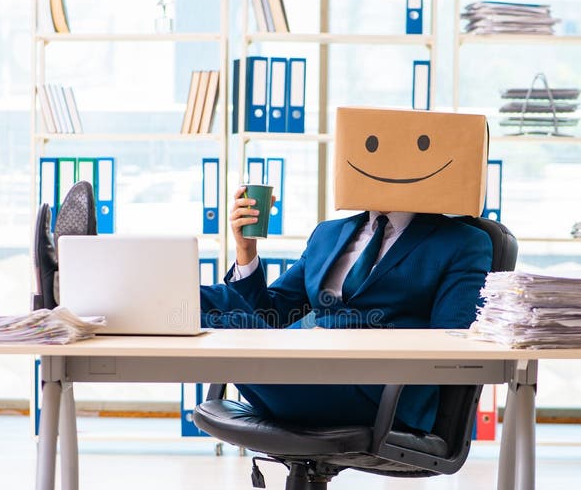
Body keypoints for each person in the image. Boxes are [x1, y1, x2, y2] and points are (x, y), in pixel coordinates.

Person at [200, 183, 493, 433]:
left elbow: (451, 339)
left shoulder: (462, 242)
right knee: (211, 300)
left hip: (380, 396)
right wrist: (246, 249)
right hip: (303, 370)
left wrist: (332, 335)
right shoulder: (328, 234)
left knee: (230, 323)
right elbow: (270, 315)